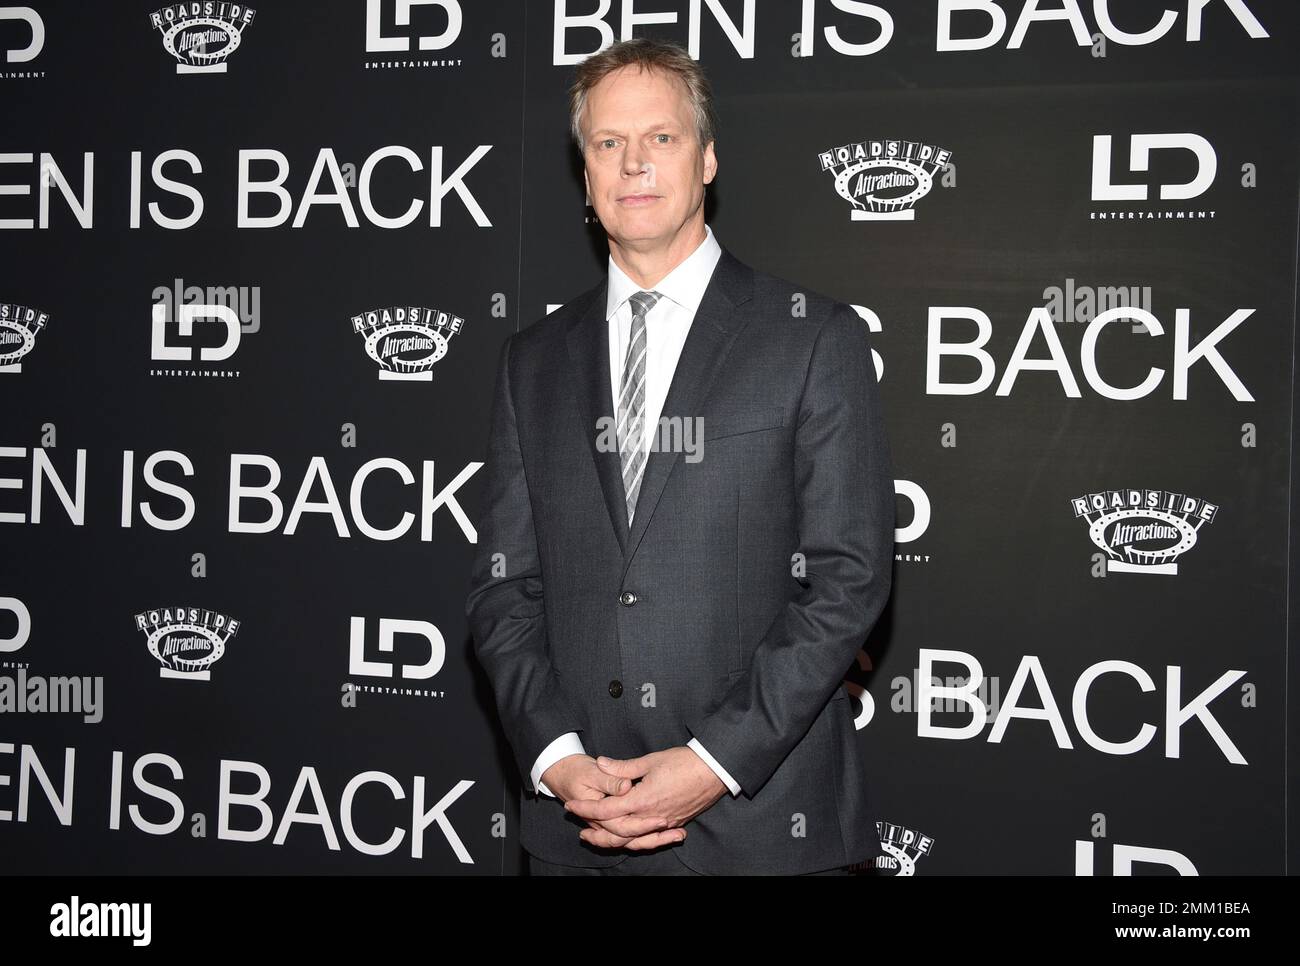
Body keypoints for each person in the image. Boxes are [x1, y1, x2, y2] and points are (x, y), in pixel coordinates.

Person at [465, 37, 894, 875]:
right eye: (607, 144)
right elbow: (502, 585)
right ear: (585, 175)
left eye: (660, 138)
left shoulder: (812, 339)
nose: (634, 165)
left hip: (761, 829)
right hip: (575, 832)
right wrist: (556, 759)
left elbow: (849, 579)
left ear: (706, 160)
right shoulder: (533, 359)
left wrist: (710, 765)